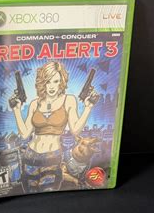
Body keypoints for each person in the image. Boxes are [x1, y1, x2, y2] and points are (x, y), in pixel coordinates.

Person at [10, 61, 97, 192]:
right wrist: (16, 110)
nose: (51, 86)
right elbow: (24, 134)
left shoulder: (69, 100)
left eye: (55, 81)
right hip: (30, 155)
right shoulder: (35, 103)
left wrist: (88, 108)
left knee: (48, 192)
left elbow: (75, 130)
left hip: (52, 156)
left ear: (61, 82)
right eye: (48, 81)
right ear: (42, 83)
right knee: (29, 193)